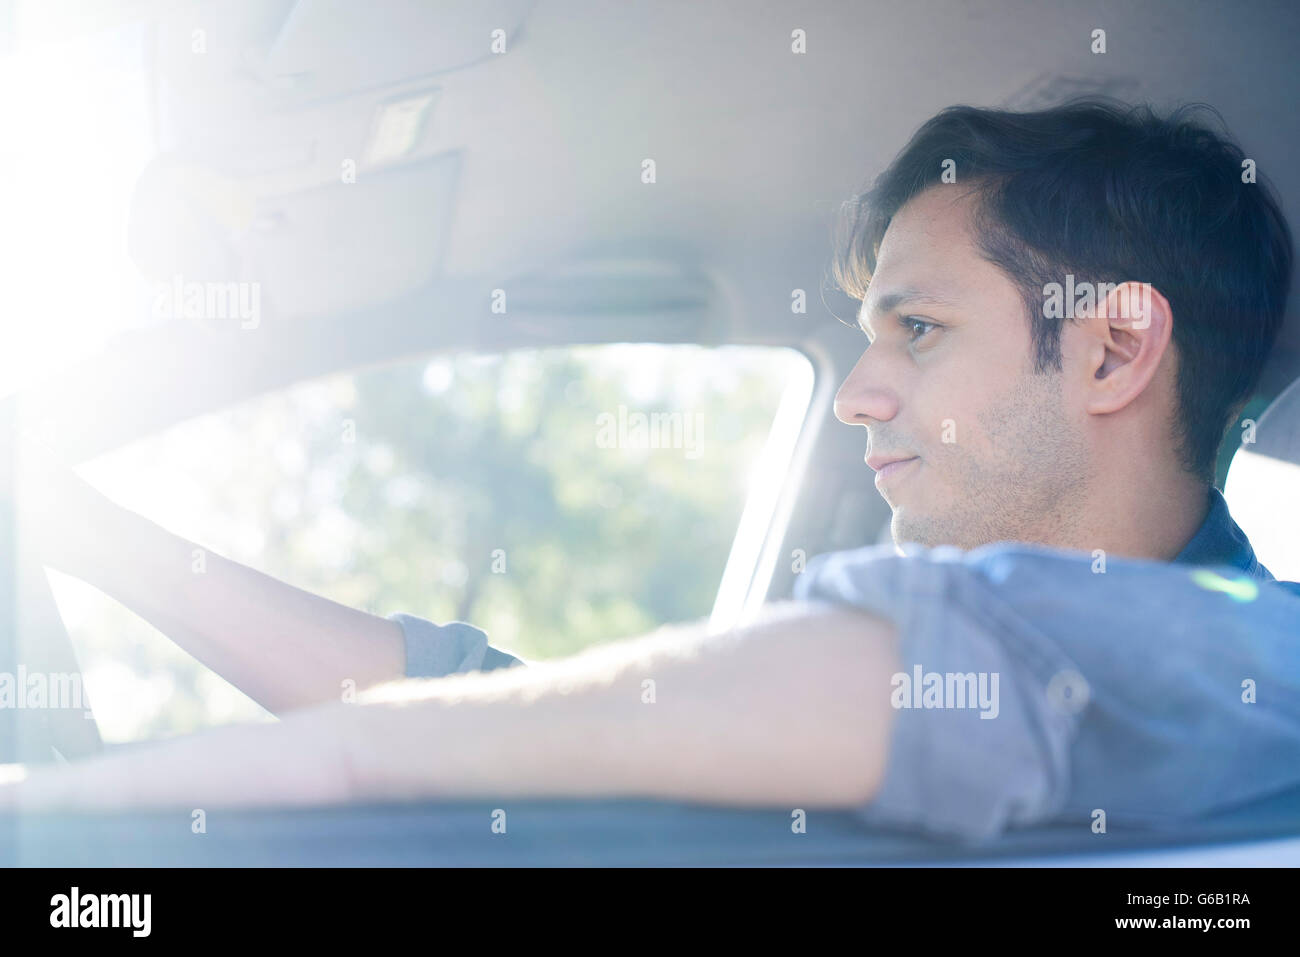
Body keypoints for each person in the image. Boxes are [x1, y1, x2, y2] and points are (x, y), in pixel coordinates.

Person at [3, 98, 1298, 843]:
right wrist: (84, 532)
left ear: (1116, 346)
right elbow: (514, 708)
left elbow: (477, 732)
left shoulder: (1252, 670)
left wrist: (61, 824)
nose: (859, 392)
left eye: (920, 329)